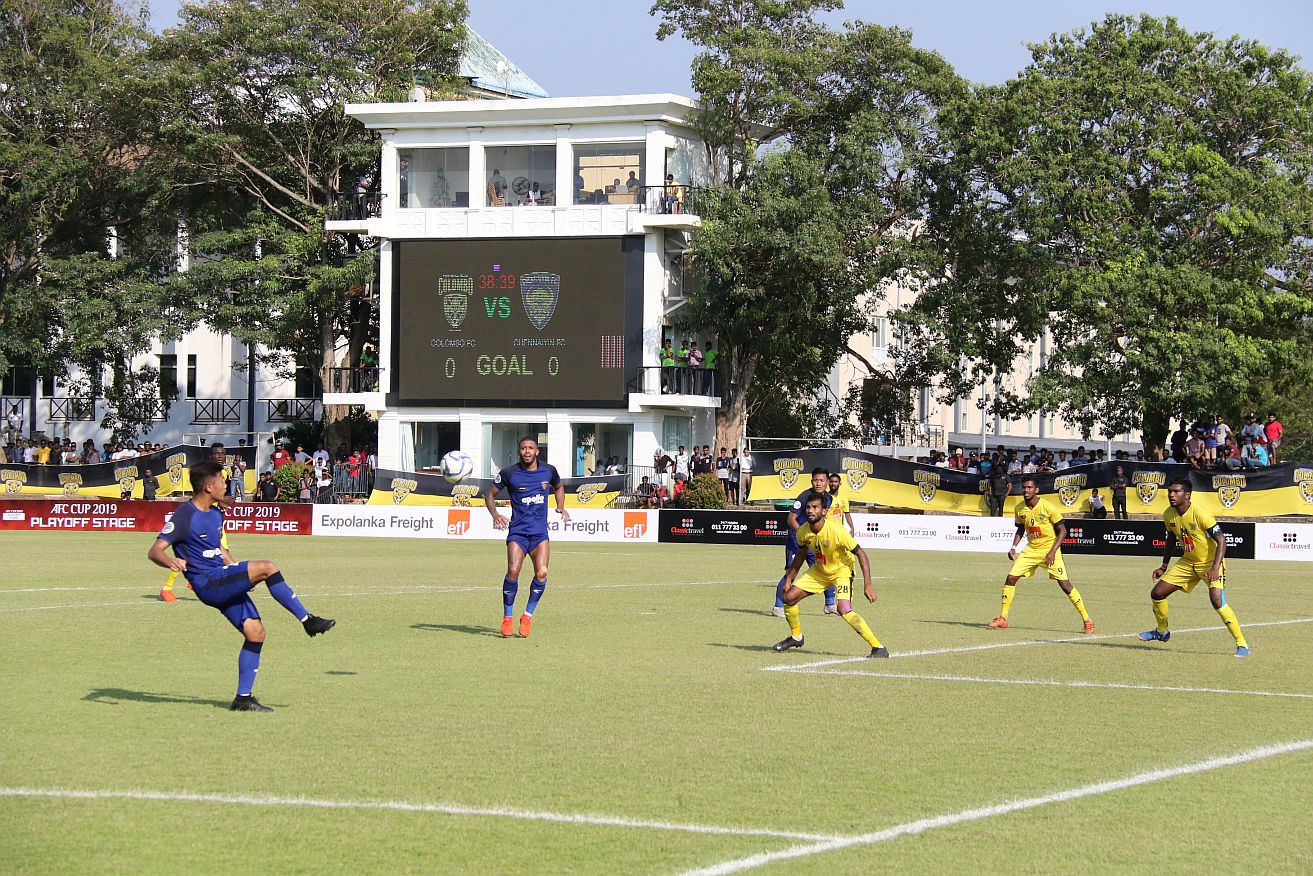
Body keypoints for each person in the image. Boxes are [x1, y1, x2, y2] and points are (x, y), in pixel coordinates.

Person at [148, 459, 335, 712]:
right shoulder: (185, 516)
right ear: (208, 487)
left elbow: (220, 549)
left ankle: (242, 699)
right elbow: (155, 550)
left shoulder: (215, 513)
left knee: (256, 633)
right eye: (221, 480)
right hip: (208, 583)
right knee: (268, 566)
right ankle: (307, 620)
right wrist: (171, 562)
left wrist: (237, 571)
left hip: (222, 578)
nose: (226, 484)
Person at [1138, 478, 1248, 656]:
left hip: (1209, 563)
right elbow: (1172, 538)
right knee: (1157, 593)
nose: (1171, 495)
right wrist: (1164, 565)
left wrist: (1215, 568)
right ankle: (1162, 632)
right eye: (1170, 492)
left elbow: (1221, 540)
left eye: (1176, 492)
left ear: (1187, 495)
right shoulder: (1168, 514)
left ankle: (1241, 644)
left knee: (1217, 600)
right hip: (1188, 562)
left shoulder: (1201, 514)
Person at [772, 492, 888, 658]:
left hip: (841, 570)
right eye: (808, 507)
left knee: (844, 609)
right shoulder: (803, 532)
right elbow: (800, 555)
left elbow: (861, 553)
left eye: (815, 507)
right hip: (820, 571)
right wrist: (789, 579)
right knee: (789, 598)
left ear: (824, 511)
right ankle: (796, 637)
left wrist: (868, 584)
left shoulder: (837, 531)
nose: (810, 510)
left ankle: (878, 647)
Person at [484, 437, 569, 639]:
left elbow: (559, 486)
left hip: (540, 534)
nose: (527, 451)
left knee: (542, 573)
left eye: (530, 448)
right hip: (518, 533)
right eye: (523, 448)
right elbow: (489, 495)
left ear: (537, 451)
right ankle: (507, 618)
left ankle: (527, 616)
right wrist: (495, 515)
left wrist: (561, 505)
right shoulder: (509, 473)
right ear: (519, 451)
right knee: (513, 571)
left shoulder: (549, 471)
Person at [988, 477, 1095, 633]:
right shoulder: (1019, 508)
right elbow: (1021, 529)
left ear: (1036, 490)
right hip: (1031, 550)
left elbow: (1063, 531)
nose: (1026, 490)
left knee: (1065, 585)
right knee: (1011, 578)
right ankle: (1003, 618)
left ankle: (1087, 620)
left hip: (1050, 549)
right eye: (1024, 487)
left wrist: (1052, 552)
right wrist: (1013, 547)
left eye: (1029, 487)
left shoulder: (1047, 507)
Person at [161, 442, 234, 603]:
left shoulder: (225, 472)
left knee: (220, 552)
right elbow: (201, 494)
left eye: (222, 454)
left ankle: (197, 581)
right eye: (217, 454)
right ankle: (167, 587)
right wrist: (221, 500)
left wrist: (223, 500)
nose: (220, 456)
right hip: (200, 518)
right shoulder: (205, 472)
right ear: (211, 456)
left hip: (214, 518)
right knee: (194, 553)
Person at [774, 468, 837, 618]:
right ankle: (778, 606)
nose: (818, 483)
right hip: (797, 540)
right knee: (791, 573)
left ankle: (830, 604)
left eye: (822, 480)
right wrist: (803, 535)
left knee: (825, 570)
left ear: (827, 483)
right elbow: (791, 519)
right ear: (811, 481)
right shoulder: (804, 496)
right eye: (816, 480)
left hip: (815, 542)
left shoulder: (828, 499)